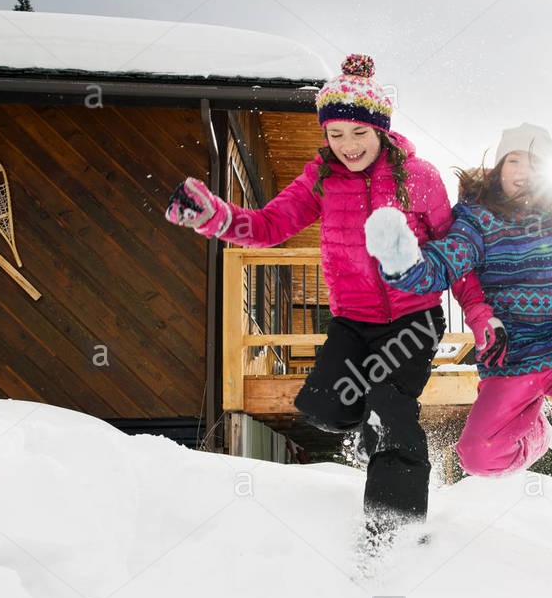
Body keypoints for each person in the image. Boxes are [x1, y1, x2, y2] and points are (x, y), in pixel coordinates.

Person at [164, 54, 506, 551]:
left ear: (381, 130)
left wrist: (477, 313)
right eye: (336, 134)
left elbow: (457, 256)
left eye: (358, 134)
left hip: (413, 318)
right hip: (352, 320)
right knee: (324, 406)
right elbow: (267, 226)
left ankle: (395, 530)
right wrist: (214, 217)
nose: (346, 146)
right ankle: (375, 432)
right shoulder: (321, 180)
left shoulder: (419, 178)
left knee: (390, 406)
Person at [362, 54, 552, 562]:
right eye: (513, 161)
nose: (522, 171)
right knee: (478, 456)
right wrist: (402, 261)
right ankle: (542, 437)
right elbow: (443, 264)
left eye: (532, 162)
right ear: (499, 167)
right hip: (513, 359)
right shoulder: (477, 220)